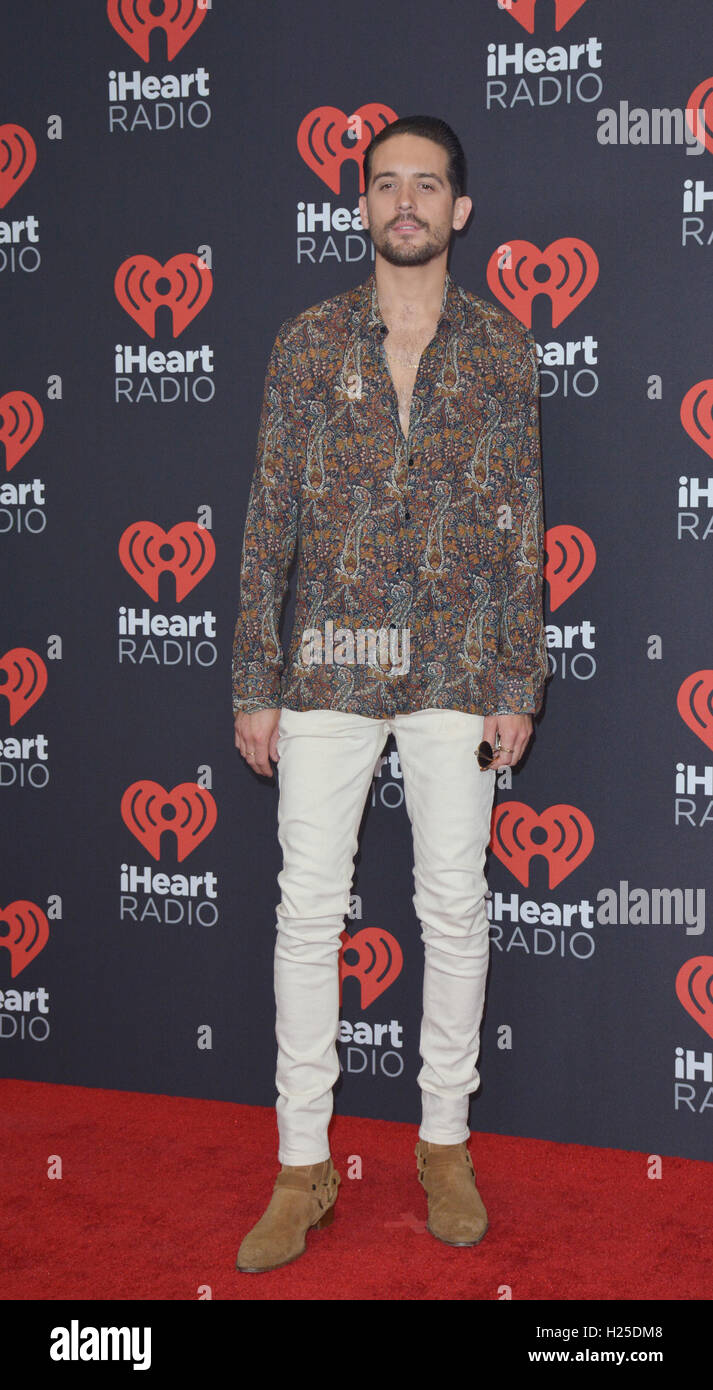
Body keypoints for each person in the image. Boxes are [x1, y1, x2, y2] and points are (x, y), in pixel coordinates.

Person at [232, 114, 547, 1273]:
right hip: (323, 663)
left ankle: (444, 1144)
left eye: (426, 185)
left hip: (461, 666)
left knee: (452, 908)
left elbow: (522, 527)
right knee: (308, 910)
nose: (403, 202)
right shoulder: (305, 343)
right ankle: (303, 1165)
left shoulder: (504, 351)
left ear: (458, 211)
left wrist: (518, 673)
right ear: (360, 207)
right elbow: (268, 520)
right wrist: (252, 679)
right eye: (384, 185)